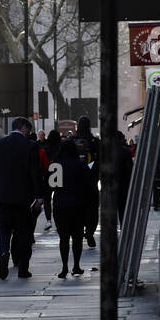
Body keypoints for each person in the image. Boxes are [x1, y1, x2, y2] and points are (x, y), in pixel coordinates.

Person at [0, 116, 43, 279]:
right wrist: (39, 197)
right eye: (28, 130)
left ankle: (4, 252)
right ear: (23, 127)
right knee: (23, 233)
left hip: (2, 197)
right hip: (23, 198)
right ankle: (23, 269)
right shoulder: (30, 146)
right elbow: (35, 173)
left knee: (2, 229)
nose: (28, 133)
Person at [50, 139, 92, 278]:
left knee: (63, 237)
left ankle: (64, 267)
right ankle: (76, 266)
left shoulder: (56, 165)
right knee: (77, 237)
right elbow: (88, 185)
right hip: (77, 205)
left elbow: (51, 186)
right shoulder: (80, 165)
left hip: (60, 204)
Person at [74, 115, 100, 246]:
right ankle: (90, 231)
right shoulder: (94, 141)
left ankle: (78, 231)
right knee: (93, 208)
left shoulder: (72, 140)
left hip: (75, 182)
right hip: (91, 181)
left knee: (77, 208)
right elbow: (100, 161)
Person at [110, 128, 134, 225]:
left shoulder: (107, 152)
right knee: (122, 208)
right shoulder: (125, 151)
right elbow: (130, 169)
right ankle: (123, 225)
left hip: (111, 185)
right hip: (123, 184)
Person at [41, 129, 62, 232]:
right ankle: (59, 223)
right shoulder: (61, 148)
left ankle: (49, 220)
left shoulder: (45, 148)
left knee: (47, 200)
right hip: (58, 177)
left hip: (47, 177)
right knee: (58, 201)